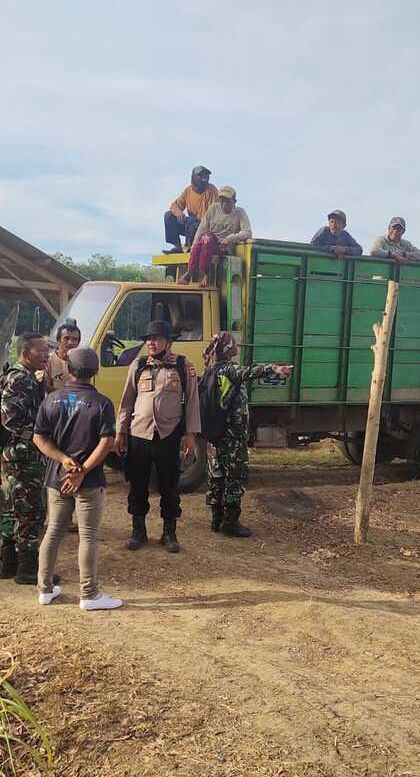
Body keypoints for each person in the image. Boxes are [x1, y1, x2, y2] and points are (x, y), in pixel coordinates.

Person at [32, 347, 122, 611]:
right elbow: (107, 442)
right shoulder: (102, 403)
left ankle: (44, 589)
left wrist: (62, 459)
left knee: (53, 531)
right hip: (90, 480)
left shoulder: (51, 400)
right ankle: (89, 594)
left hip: (57, 478)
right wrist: (82, 471)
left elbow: (39, 437)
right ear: (96, 372)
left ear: (68, 370)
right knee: (89, 536)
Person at [116, 319, 201, 553]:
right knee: (137, 483)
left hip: (168, 434)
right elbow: (126, 402)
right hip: (139, 434)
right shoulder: (139, 365)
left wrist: (190, 435)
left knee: (169, 484)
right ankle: (138, 531)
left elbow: (192, 403)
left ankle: (169, 533)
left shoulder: (184, 366)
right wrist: (121, 432)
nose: (151, 343)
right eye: (148, 339)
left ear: (168, 342)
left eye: (156, 339)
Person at [201, 332, 293, 537]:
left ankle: (216, 520)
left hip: (215, 436)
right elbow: (249, 372)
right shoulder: (229, 370)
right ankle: (231, 522)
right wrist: (274, 368)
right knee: (234, 477)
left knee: (216, 477)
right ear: (228, 349)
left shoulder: (209, 370)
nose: (238, 348)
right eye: (235, 345)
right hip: (232, 438)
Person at [0, 332, 50, 583]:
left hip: (15, 453)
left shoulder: (22, 376)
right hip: (24, 454)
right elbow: (10, 420)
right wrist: (39, 436)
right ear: (26, 352)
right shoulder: (20, 379)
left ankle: (8, 563)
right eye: (41, 350)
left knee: (13, 507)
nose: (47, 355)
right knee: (31, 509)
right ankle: (27, 570)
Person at [186, 185, 252, 285]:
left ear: (234, 202)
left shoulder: (239, 213)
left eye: (227, 201)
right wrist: (193, 246)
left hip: (224, 247)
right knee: (202, 241)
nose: (223, 204)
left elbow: (247, 232)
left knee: (207, 239)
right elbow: (201, 229)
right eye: (221, 200)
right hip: (208, 241)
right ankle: (190, 272)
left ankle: (206, 274)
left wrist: (230, 239)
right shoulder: (213, 208)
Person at [164, 166, 218, 254]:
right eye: (200, 176)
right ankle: (177, 246)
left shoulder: (212, 190)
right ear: (193, 177)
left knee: (191, 220)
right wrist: (179, 213)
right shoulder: (188, 191)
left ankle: (191, 247)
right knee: (169, 216)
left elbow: (216, 212)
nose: (204, 178)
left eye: (206, 176)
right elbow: (175, 205)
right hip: (190, 227)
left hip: (205, 228)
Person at [47, 321, 81, 392]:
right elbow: (45, 388)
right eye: (66, 338)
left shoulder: (81, 362)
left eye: (74, 339)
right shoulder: (48, 360)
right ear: (58, 340)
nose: (70, 342)